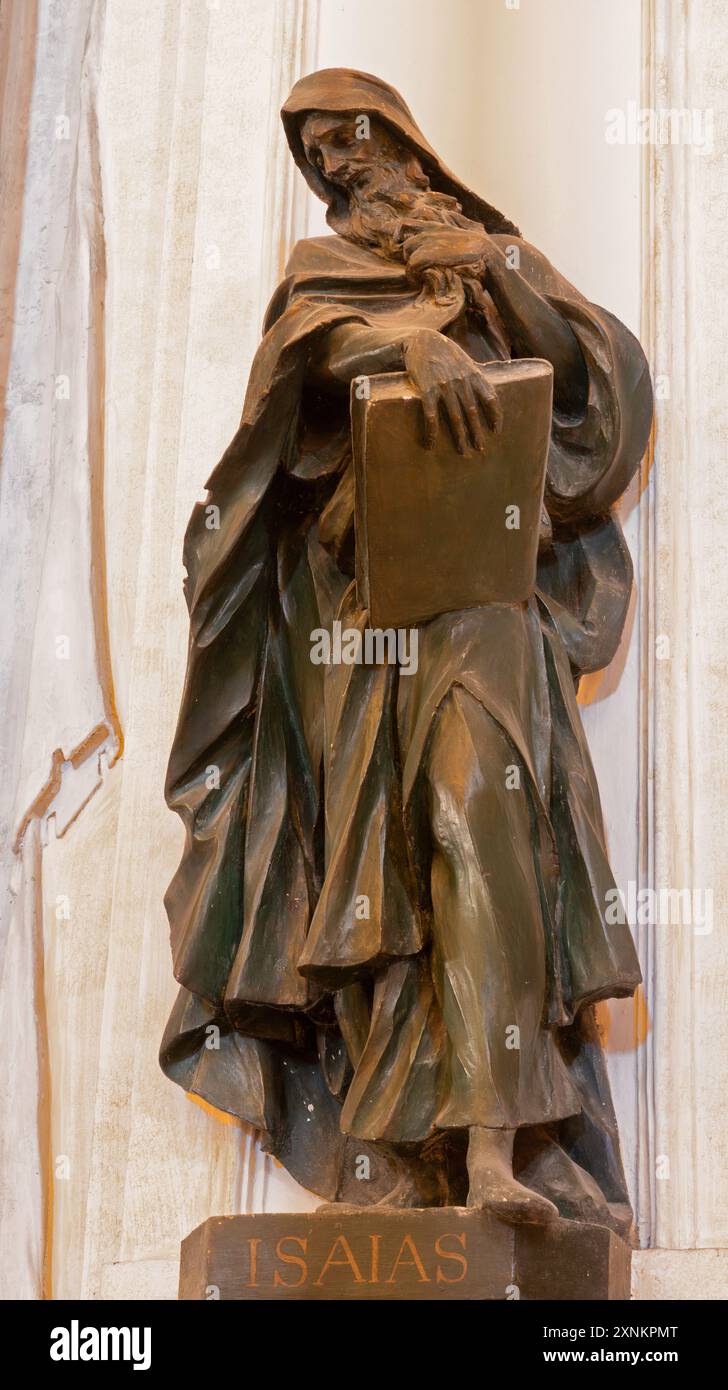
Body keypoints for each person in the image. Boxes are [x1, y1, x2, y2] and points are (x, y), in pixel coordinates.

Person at [161, 69, 652, 1227]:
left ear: (403, 138)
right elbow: (302, 364)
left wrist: (496, 276)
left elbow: (600, 386)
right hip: (354, 621)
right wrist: (400, 344)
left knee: (475, 822)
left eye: (349, 137)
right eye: (317, 151)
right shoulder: (320, 274)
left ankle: (495, 1147)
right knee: (369, 885)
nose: (336, 164)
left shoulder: (490, 253)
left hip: (482, 605)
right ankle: (390, 1158)